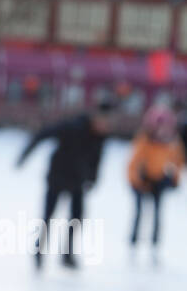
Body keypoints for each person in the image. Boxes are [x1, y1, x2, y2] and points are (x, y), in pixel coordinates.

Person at [15, 96, 117, 270]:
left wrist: (93, 178)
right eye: (104, 121)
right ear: (96, 117)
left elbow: (97, 158)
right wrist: (25, 154)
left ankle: (67, 254)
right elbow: (44, 133)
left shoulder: (101, 136)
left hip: (78, 180)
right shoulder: (74, 127)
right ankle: (39, 251)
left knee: (77, 217)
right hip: (58, 177)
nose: (106, 125)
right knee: (49, 216)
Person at [127, 104, 185, 249]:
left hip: (158, 179)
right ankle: (134, 241)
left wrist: (175, 179)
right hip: (142, 179)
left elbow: (178, 161)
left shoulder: (171, 142)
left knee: (158, 213)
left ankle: (155, 242)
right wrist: (137, 182)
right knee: (139, 212)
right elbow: (133, 163)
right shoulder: (144, 140)